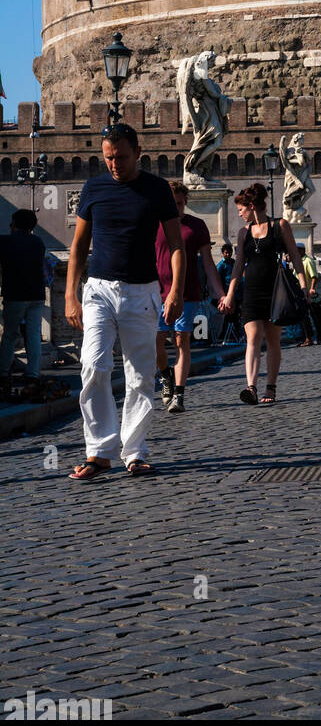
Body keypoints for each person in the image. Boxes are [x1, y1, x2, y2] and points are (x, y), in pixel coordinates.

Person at [64, 123, 184, 480]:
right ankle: (99, 451)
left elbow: (176, 245)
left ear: (138, 154)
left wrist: (175, 288)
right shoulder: (94, 187)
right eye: (108, 157)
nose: (114, 164)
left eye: (121, 157)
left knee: (140, 375)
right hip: (98, 289)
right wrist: (71, 294)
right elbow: (78, 247)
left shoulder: (157, 190)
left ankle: (134, 451)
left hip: (141, 292)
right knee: (93, 366)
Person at [223, 183, 309, 407]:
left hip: (275, 290)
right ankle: (251, 386)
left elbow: (295, 257)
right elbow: (238, 264)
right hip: (251, 291)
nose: (240, 214)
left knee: (272, 339)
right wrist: (230, 294)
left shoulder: (279, 225)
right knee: (252, 337)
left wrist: (303, 285)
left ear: (252, 206)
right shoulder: (244, 233)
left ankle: (270, 386)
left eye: (241, 209)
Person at [155, 181, 226, 414]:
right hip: (155, 292)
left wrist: (220, 293)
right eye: (170, 203)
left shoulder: (196, 227)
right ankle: (165, 374)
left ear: (185, 202)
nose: (175, 208)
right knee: (156, 342)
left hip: (187, 293)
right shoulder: (153, 225)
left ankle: (179, 393)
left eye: (178, 203)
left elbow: (208, 263)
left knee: (181, 340)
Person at [0, 209, 48, 400]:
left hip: (16, 295)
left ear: (14, 223)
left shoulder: (6, 241)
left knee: (10, 335)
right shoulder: (38, 243)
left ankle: (3, 373)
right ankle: (32, 374)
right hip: (37, 294)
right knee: (34, 334)